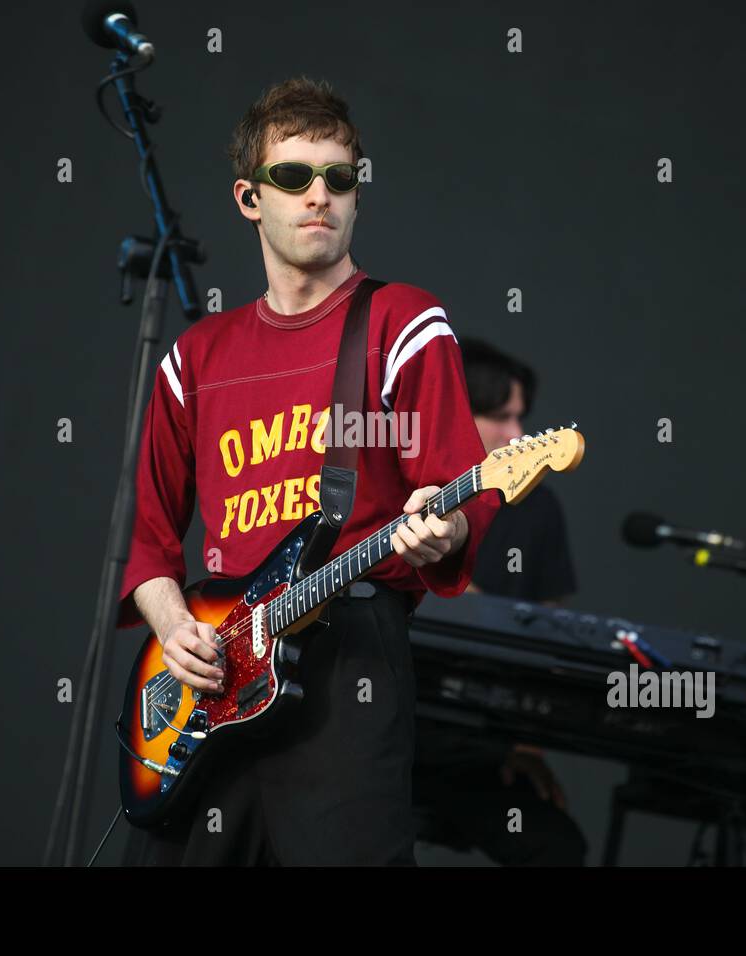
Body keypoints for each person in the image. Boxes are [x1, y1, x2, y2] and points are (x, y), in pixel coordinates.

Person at [117, 76, 499, 865]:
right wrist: (173, 628)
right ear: (250, 198)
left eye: (339, 178)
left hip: (347, 655)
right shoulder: (197, 357)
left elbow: (462, 489)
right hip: (215, 671)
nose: (319, 195)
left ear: (358, 195)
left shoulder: (402, 320)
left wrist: (447, 522)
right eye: (293, 177)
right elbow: (150, 542)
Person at [412, 338, 589, 865]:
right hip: (387, 732)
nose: (516, 434)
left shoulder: (540, 510)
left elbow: (550, 633)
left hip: (480, 751)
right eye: (499, 416)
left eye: (521, 417)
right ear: (457, 412)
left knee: (557, 847)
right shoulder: (400, 480)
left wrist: (529, 748)